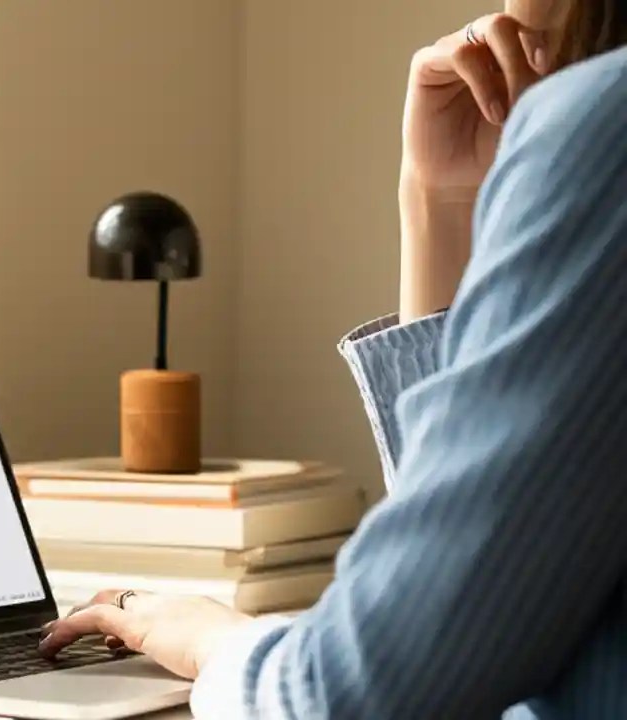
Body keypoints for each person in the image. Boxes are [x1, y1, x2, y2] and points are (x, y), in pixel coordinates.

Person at [38, 0, 627, 717]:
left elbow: (359, 694)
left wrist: (211, 640)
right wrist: (437, 200)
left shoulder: (606, 124)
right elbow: (457, 578)